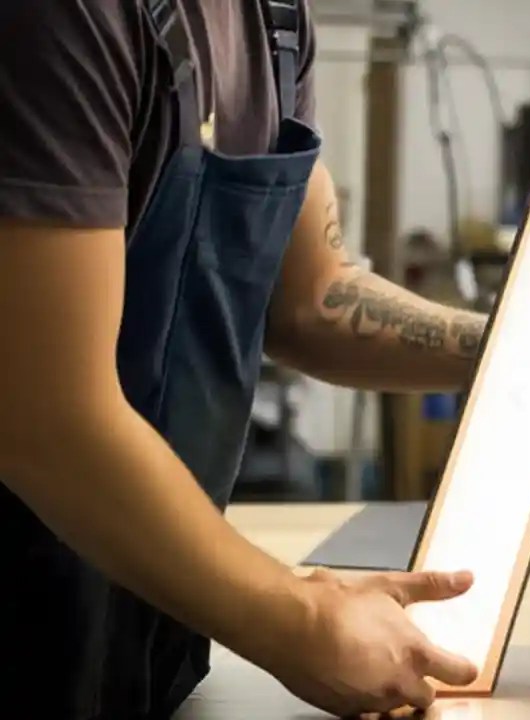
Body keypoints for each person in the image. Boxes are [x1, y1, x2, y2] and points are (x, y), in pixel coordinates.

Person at [0, 1, 485, 717]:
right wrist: (301, 621)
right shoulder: (63, 19)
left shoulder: (276, 24)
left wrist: (519, 351)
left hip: (138, 639)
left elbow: (311, 297)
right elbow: (45, 421)